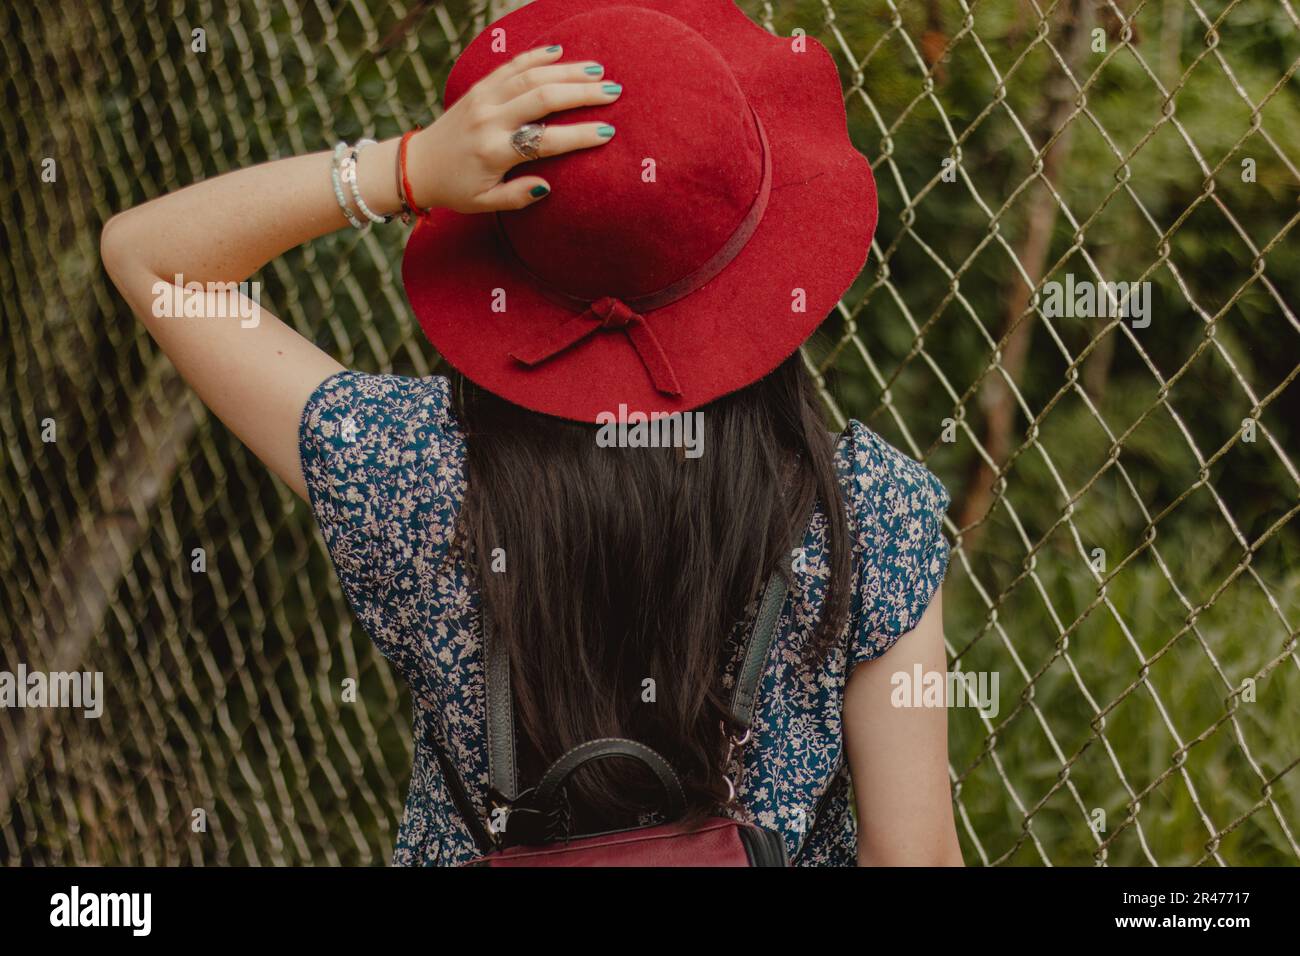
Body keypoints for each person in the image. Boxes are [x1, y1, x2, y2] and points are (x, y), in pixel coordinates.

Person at [101, 0, 962, 866]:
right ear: (766, 256)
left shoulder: (410, 468)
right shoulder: (871, 512)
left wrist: (402, 168)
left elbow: (149, 256)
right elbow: (915, 854)